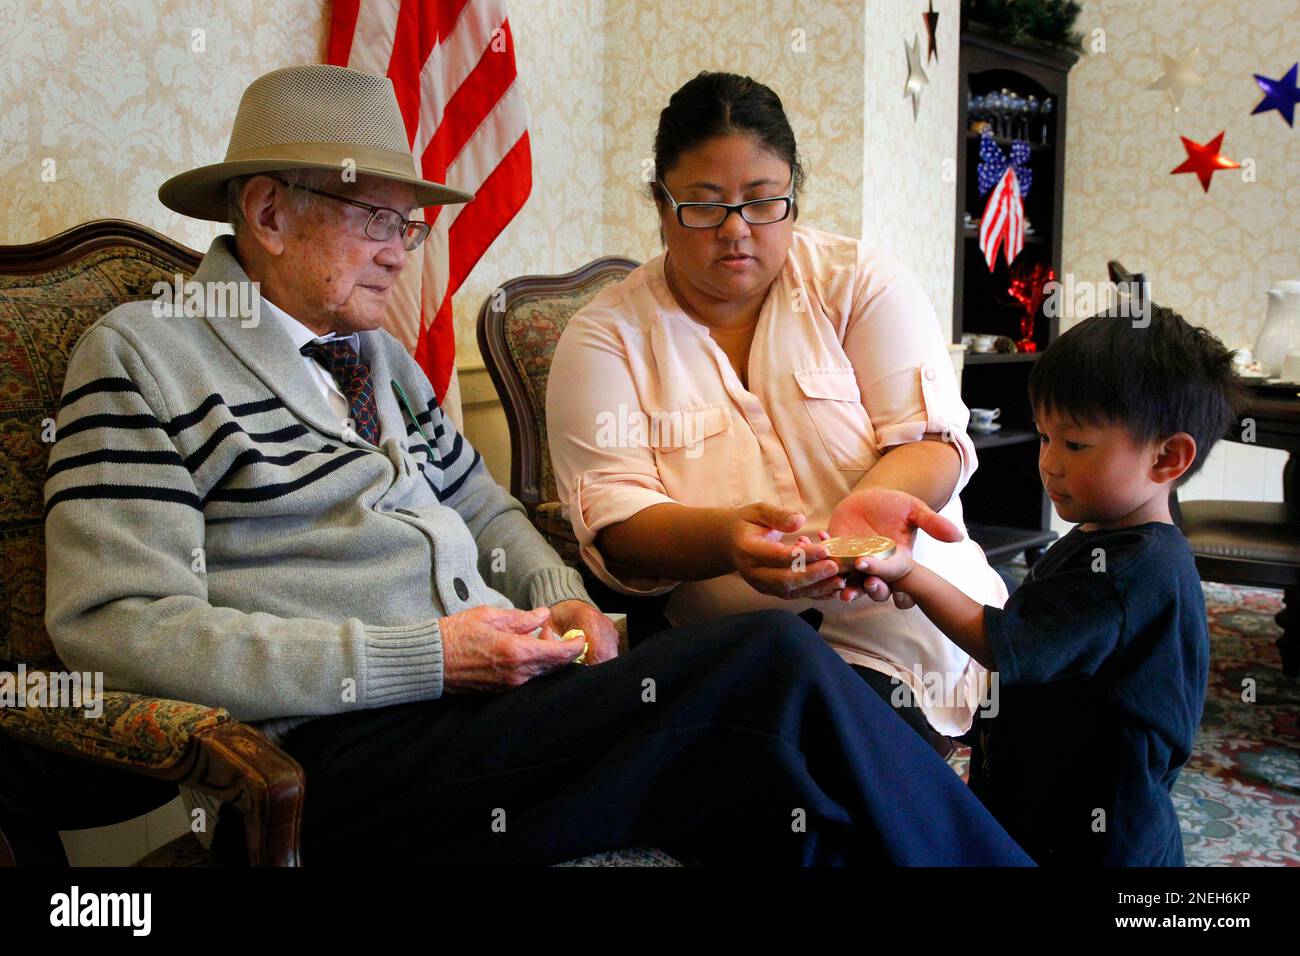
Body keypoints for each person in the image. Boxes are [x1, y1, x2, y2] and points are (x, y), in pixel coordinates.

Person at [42, 64, 1032, 866]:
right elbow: (115, 629)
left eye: (410, 226)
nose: (402, 253)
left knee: (782, 802)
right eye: (378, 220)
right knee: (768, 659)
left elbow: (483, 507)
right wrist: (432, 653)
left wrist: (568, 601)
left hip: (495, 704)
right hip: (343, 746)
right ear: (267, 211)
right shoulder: (144, 354)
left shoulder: (377, 359)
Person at [547, 71, 1005, 753]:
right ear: (660, 202)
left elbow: (934, 441)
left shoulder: (858, 284)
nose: (736, 232)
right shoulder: (604, 337)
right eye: (703, 206)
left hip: (919, 613)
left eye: (764, 203)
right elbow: (615, 525)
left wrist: (865, 517)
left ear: (794, 195)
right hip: (744, 648)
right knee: (834, 748)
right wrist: (726, 539)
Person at [845, 305, 1245, 865]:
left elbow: (1003, 644)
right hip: (1053, 796)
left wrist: (909, 572)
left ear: (1167, 457)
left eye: (1075, 445)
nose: (1049, 464)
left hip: (1090, 835)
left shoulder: (1127, 572)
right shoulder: (1116, 542)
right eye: (1043, 437)